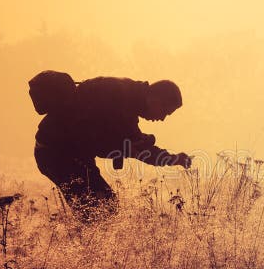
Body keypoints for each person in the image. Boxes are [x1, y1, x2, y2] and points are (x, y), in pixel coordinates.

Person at [29, 71, 192, 221]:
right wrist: (129, 148)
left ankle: (86, 245)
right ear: (156, 99)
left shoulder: (127, 100)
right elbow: (106, 141)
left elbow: (134, 147)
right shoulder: (121, 98)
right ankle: (85, 248)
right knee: (99, 211)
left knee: (103, 208)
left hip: (68, 153)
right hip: (55, 153)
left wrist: (172, 158)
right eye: (165, 111)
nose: (162, 118)